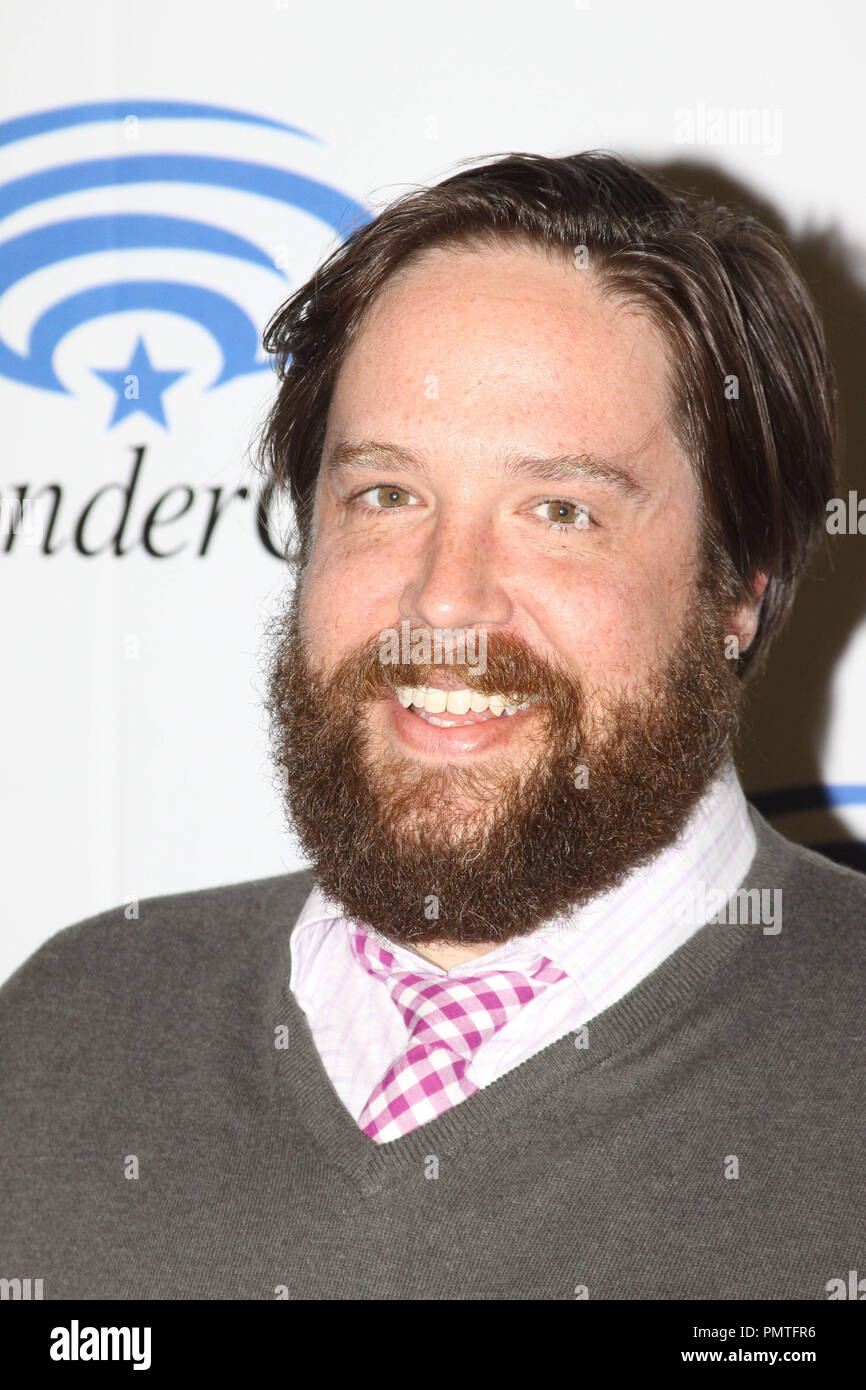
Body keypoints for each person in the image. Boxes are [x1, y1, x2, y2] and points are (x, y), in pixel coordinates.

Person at [1, 151, 862, 1301]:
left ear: (738, 591)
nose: (443, 600)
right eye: (386, 495)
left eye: (559, 511)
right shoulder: (72, 1030)